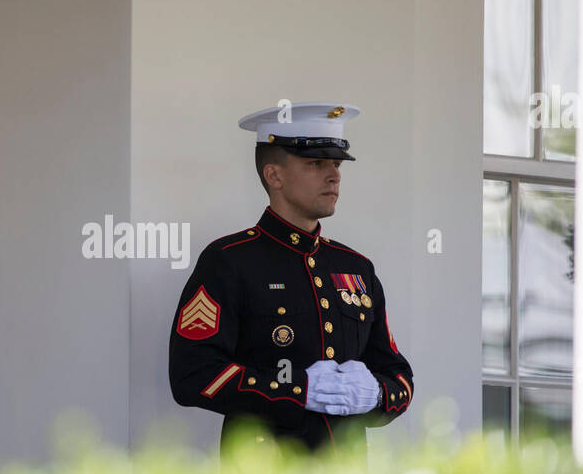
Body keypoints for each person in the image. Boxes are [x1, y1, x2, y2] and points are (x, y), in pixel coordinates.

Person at [168, 102, 414, 453]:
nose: (334, 175)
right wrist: (298, 390)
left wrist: (376, 392)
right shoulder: (229, 261)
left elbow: (398, 377)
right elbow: (192, 375)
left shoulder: (356, 268)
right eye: (316, 163)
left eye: (336, 163)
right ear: (274, 176)